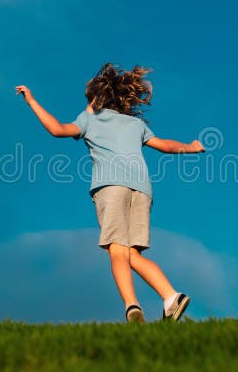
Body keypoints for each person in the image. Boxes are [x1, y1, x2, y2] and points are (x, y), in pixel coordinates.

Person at [15, 63, 205, 323]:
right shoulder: (134, 124)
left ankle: (132, 306)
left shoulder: (89, 119)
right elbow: (165, 146)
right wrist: (192, 147)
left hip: (111, 187)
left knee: (117, 252)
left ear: (94, 99)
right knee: (133, 255)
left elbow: (57, 129)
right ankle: (171, 296)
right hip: (141, 190)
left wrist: (32, 101)